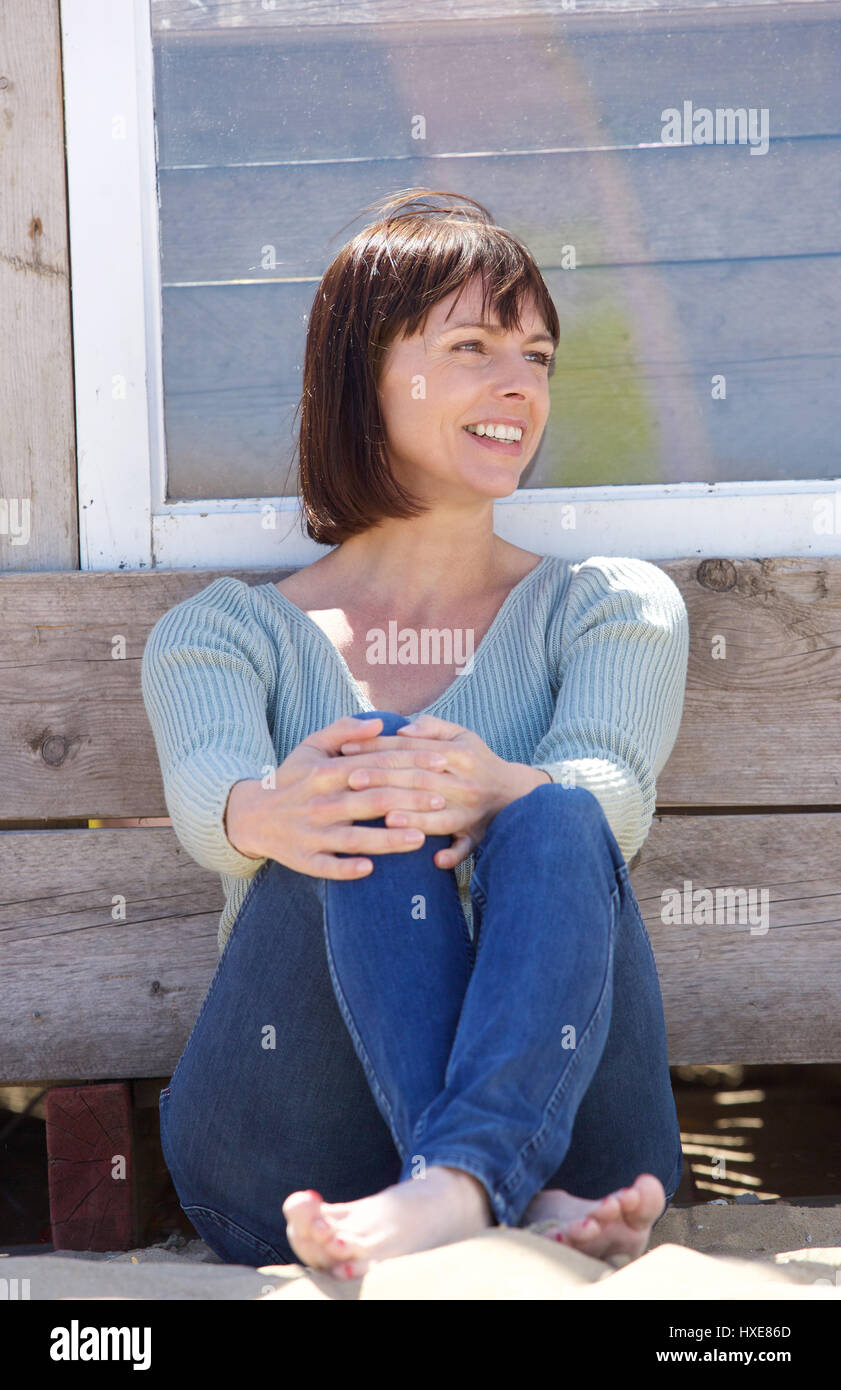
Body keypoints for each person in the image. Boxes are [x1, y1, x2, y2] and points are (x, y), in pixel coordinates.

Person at [140, 188, 689, 1281]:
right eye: (474, 345)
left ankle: (459, 1183)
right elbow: (213, 789)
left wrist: (495, 787)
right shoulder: (223, 633)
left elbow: (611, 792)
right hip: (294, 1160)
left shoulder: (612, 605)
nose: (518, 385)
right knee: (368, 774)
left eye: (535, 355)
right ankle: (493, 1188)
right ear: (365, 375)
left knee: (556, 810)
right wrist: (265, 810)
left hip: (583, 1136)